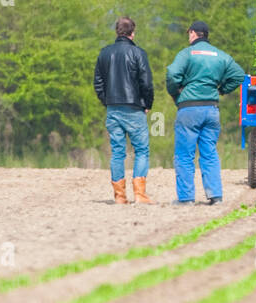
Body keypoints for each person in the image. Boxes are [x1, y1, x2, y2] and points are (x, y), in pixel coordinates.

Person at [165, 20, 244, 205]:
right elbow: (239, 75)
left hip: (189, 109)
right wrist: (222, 90)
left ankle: (186, 198)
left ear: (192, 33)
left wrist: (175, 93)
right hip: (212, 109)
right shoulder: (220, 55)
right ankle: (215, 196)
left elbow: (172, 74)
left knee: (185, 155)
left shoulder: (187, 53)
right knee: (209, 153)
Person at [94, 16, 155, 204]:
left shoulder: (104, 53)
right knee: (142, 151)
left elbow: (98, 82)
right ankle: (140, 194)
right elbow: (146, 83)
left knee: (118, 153)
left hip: (113, 109)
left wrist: (108, 101)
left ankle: (120, 196)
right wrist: (147, 104)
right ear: (132, 33)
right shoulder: (138, 53)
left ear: (117, 31)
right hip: (134, 108)